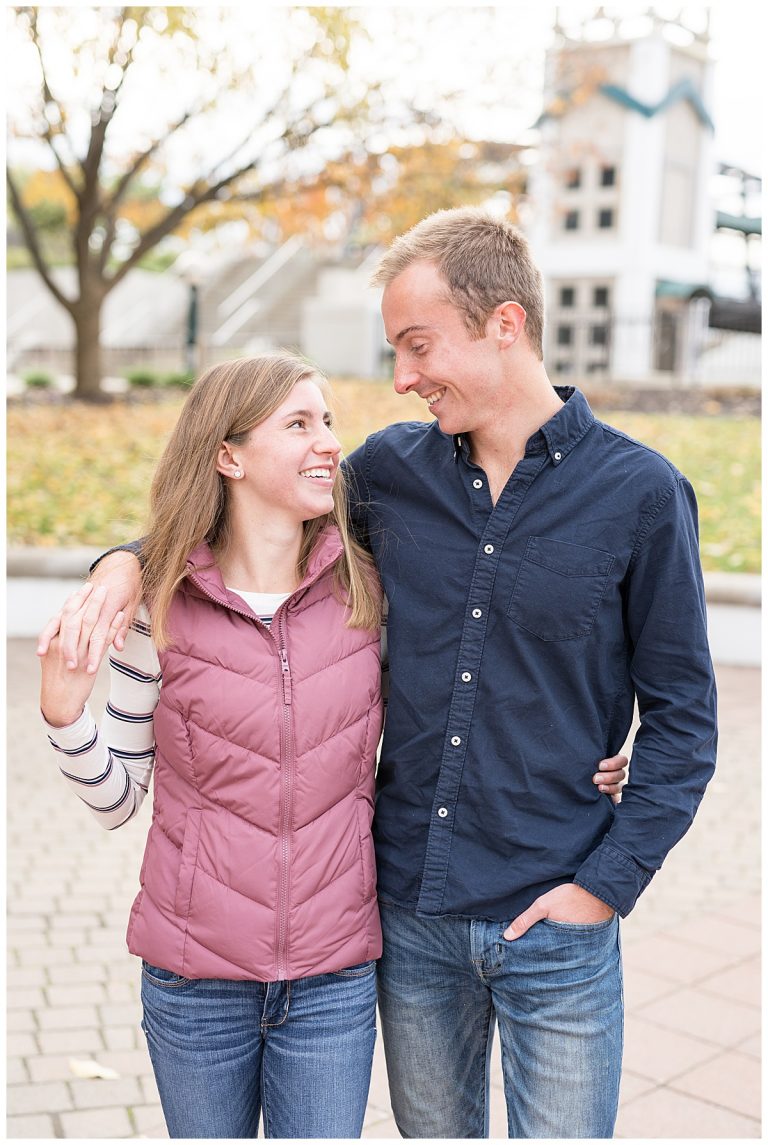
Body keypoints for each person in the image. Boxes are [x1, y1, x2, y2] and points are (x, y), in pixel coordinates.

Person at [39, 209, 691, 1140]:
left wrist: (608, 882)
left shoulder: (642, 492)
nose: (401, 378)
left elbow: (685, 718)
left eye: (418, 345)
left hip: (560, 916)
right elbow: (237, 513)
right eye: (395, 350)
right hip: (408, 921)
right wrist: (127, 563)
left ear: (504, 324)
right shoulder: (388, 474)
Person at [38, 353, 387, 1139]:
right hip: (194, 979)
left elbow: (448, 726)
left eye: (327, 420)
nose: (328, 441)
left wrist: (591, 758)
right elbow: (119, 800)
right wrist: (66, 719)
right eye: (298, 423)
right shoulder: (156, 609)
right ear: (227, 455)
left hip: (332, 976)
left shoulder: (365, 591)